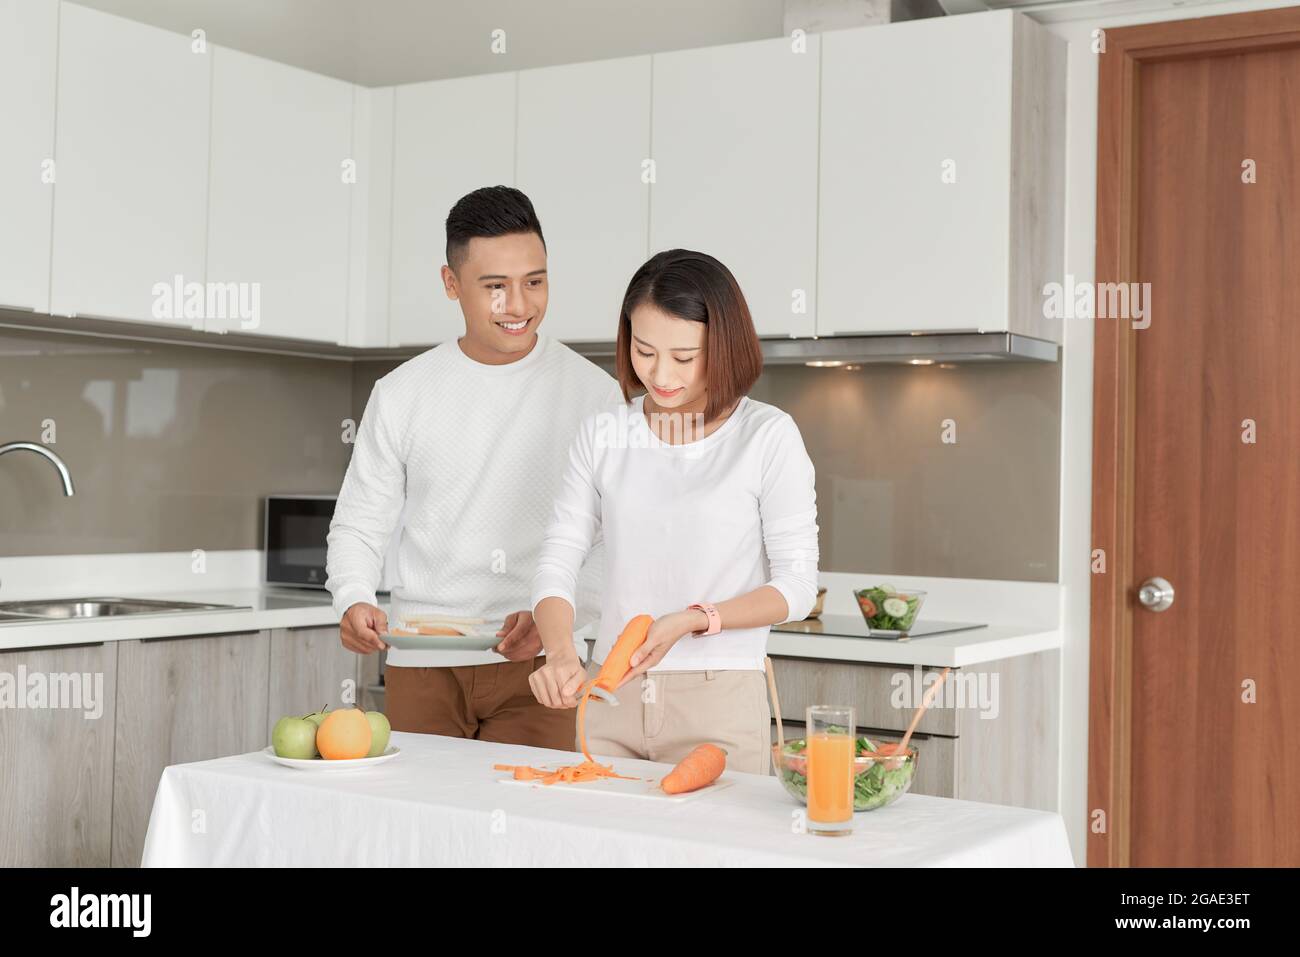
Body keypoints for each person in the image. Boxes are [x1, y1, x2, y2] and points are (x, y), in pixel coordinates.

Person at [326, 185, 619, 749]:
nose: (519, 305)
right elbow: (361, 522)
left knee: (535, 824)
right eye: (495, 287)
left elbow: (615, 538)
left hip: (541, 669)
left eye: (535, 281)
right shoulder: (402, 394)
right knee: (422, 827)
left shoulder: (596, 397)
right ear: (451, 283)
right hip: (421, 663)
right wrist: (354, 597)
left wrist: (561, 613)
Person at [528, 249, 820, 773]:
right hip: (609, 699)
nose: (660, 375)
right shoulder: (604, 434)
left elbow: (796, 588)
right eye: (644, 351)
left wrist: (695, 620)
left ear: (725, 346)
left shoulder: (766, 437)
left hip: (719, 702)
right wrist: (559, 652)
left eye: (685, 357)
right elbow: (557, 560)